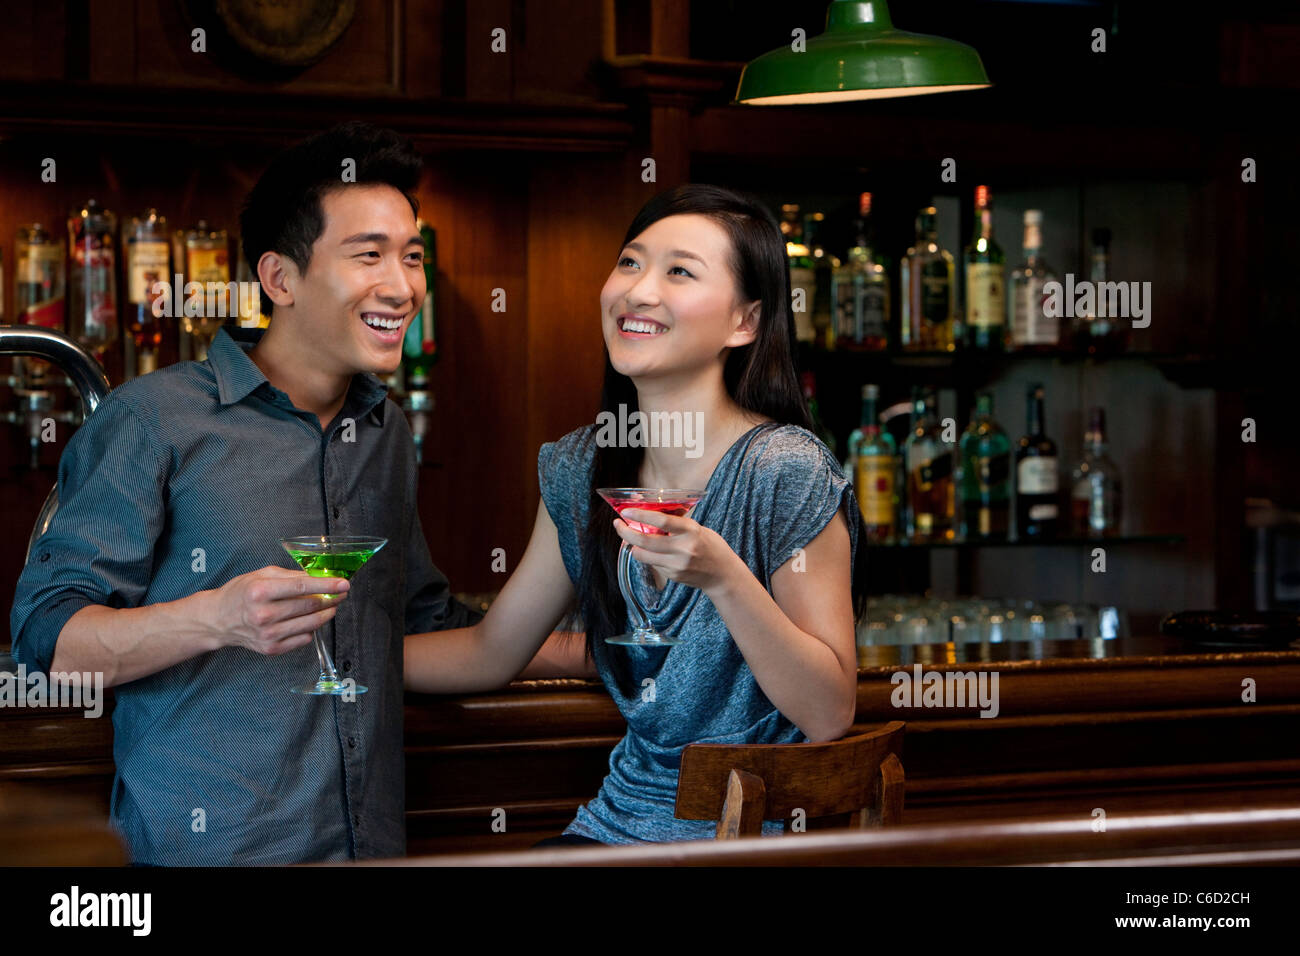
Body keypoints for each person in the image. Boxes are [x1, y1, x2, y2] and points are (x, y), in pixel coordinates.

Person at [9, 122, 480, 865]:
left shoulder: (383, 431)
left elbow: (416, 624)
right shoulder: (154, 419)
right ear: (280, 278)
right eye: (369, 255)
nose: (403, 285)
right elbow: (50, 644)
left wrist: (600, 643)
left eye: (412, 256)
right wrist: (217, 617)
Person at [406, 183, 867, 844]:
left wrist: (723, 576)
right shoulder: (578, 469)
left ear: (747, 322)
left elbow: (828, 711)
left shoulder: (783, 470)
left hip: (756, 839)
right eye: (630, 262)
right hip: (618, 824)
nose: (638, 291)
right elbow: (490, 650)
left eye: (679, 271)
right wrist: (349, 660)